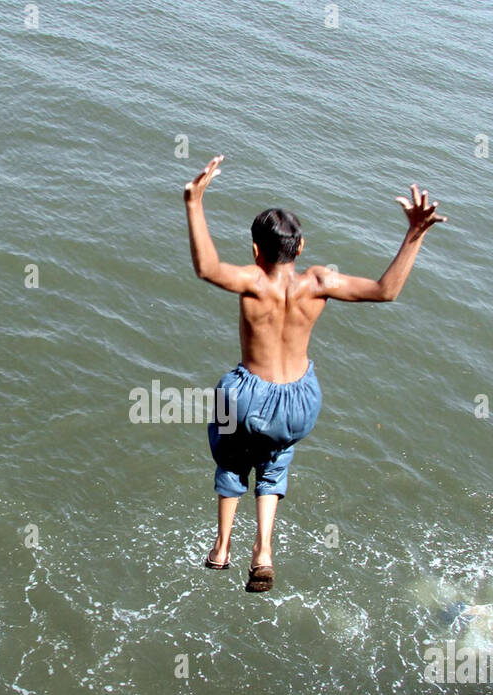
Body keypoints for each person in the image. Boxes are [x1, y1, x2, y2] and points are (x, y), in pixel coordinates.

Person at [185, 154, 446, 592]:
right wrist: (414, 234)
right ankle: (263, 550)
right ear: (301, 249)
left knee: (232, 459)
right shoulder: (321, 281)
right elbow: (387, 291)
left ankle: (221, 547)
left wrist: (195, 203)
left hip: (247, 398)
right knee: (275, 461)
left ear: (255, 250)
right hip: (299, 402)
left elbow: (206, 268)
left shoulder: (253, 280)